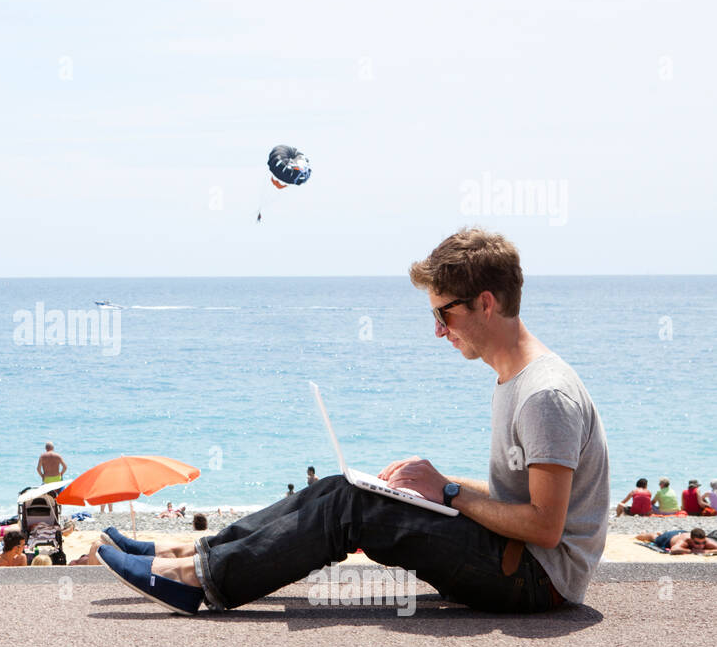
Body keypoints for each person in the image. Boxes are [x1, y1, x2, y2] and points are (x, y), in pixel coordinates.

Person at [97, 228, 608, 615]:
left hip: (538, 581)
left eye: (443, 315)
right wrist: (437, 484)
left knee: (350, 507)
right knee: (345, 487)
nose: (437, 331)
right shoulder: (515, 380)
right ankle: (195, 551)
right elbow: (518, 499)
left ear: (486, 303)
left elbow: (545, 526)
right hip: (516, 559)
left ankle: (197, 580)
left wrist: (451, 495)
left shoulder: (544, 395)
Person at [635, 528, 717, 556]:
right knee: (654, 537)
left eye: (703, 543)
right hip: (668, 538)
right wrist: (692, 551)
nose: (701, 546)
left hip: (682, 532)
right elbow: (674, 549)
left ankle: (660, 533)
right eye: (697, 543)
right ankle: (642, 534)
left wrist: (704, 551)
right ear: (691, 540)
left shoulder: (706, 541)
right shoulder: (685, 540)